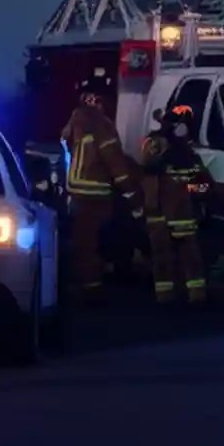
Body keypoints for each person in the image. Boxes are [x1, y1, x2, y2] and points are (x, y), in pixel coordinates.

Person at [61, 72, 144, 306]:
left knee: (82, 245)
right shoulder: (102, 125)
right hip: (97, 197)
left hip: (76, 193)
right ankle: (93, 294)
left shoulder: (76, 120)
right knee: (92, 246)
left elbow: (67, 141)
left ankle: (88, 288)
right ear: (97, 99)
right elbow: (114, 162)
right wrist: (132, 195)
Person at [140, 104, 210, 307]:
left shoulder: (187, 155)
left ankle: (187, 295)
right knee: (176, 256)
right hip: (169, 212)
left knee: (174, 256)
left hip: (169, 213)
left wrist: (191, 191)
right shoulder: (167, 149)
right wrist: (192, 192)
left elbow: (204, 185)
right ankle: (177, 295)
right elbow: (205, 186)